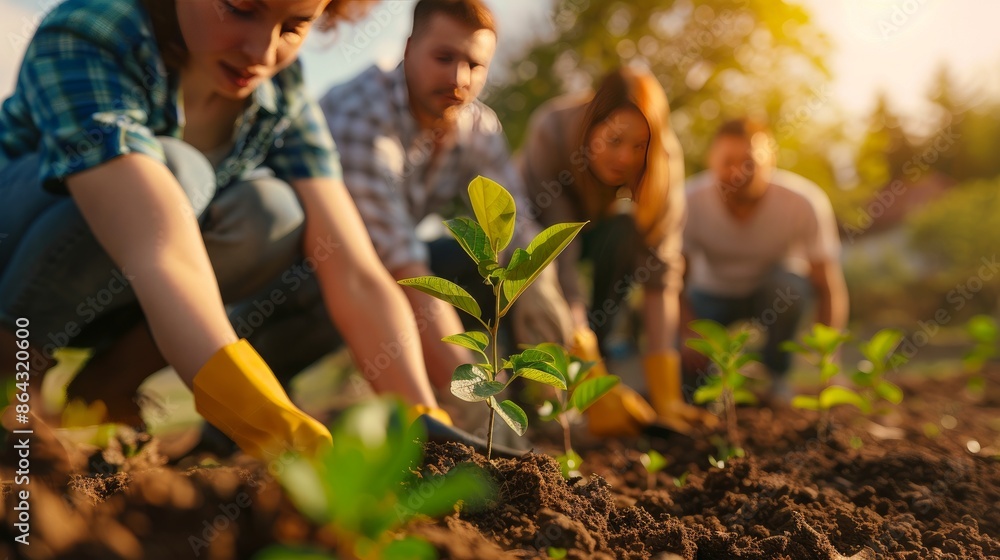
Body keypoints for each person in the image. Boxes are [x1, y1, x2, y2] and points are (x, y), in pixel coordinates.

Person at [0, 0, 450, 460]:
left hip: (129, 286)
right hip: (17, 256)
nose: (261, 51)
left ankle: (106, 387)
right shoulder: (93, 29)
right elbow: (159, 245)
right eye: (240, 9)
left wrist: (418, 417)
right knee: (180, 173)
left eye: (294, 27)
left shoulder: (281, 90)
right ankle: (10, 374)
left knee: (274, 214)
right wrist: (263, 415)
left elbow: (355, 270)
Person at [319, 0, 574, 406]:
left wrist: (543, 290)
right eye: (443, 57)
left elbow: (514, 227)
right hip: (312, 269)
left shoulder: (477, 126)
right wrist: (473, 400)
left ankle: (535, 403)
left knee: (491, 264)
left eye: (475, 66)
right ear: (407, 50)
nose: (459, 78)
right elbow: (401, 261)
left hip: (387, 261)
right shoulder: (362, 113)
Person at [518, 66, 717, 437]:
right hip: (541, 240)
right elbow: (561, 257)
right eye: (613, 140)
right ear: (591, 125)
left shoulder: (664, 161)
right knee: (540, 296)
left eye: (638, 146)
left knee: (628, 229)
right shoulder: (552, 130)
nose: (625, 157)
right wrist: (589, 367)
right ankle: (552, 390)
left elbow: (661, 278)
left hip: (606, 231)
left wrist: (667, 396)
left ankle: (602, 356)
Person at [681, 118, 849, 396]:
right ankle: (714, 386)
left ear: (771, 160)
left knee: (791, 288)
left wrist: (829, 358)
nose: (737, 172)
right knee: (689, 385)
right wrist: (686, 332)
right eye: (727, 162)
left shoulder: (803, 201)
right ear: (711, 161)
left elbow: (827, 283)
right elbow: (670, 280)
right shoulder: (687, 201)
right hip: (710, 296)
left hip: (771, 293)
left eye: (749, 162)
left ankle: (775, 374)